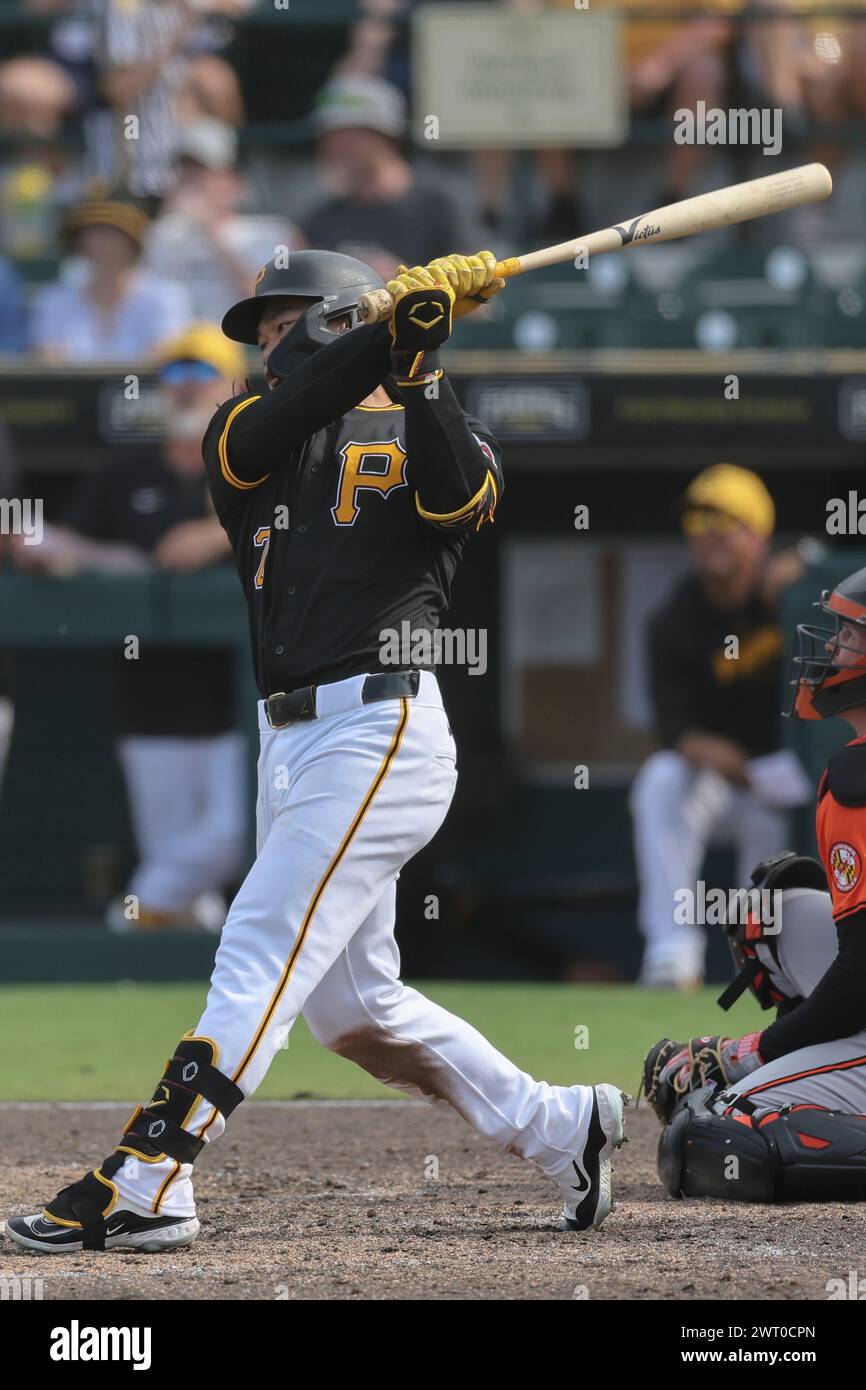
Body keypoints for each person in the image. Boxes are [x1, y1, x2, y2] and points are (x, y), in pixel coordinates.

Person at [5, 246, 626, 1255]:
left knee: (256, 945)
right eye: (261, 335)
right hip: (286, 740)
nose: (267, 349)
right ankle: (563, 1125)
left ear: (338, 322)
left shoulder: (439, 425)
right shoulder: (245, 436)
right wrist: (386, 326)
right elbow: (292, 402)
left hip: (377, 730)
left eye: (287, 325)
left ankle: (151, 1177)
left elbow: (455, 494)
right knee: (353, 1010)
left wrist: (418, 359)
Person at [11, 323, 247, 932]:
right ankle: (175, 978)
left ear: (231, 385)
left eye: (201, 376)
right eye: (176, 377)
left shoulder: (248, 465)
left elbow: (295, 522)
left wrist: (217, 532)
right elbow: (75, 540)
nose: (187, 390)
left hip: (243, 700)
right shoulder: (128, 471)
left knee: (233, 835)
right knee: (183, 876)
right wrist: (41, 545)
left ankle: (123, 923)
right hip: (151, 702)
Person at [643, 564, 866, 1204]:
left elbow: (863, 976)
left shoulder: (855, 778)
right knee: (778, 909)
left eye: (850, 635)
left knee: (712, 1124)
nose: (831, 649)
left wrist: (750, 1052)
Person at [630, 464, 806, 989]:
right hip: (718, 781)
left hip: (782, 784)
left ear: (758, 535)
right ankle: (671, 956)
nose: (706, 533)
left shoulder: (793, 595)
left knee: (776, 832)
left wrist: (811, 564)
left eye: (723, 520)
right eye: (698, 520)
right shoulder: (675, 617)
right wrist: (718, 754)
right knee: (662, 778)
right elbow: (676, 731)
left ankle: (765, 968)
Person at [300, 75, 488, 281]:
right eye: (330, 136)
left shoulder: (442, 204)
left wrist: (411, 284)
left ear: (388, 136)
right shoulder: (321, 219)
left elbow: (481, 301)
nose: (337, 146)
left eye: (352, 134)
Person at [145, 120, 300, 324]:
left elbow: (269, 307)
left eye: (201, 172)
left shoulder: (269, 233)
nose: (191, 181)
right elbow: (145, 304)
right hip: (176, 347)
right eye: (184, 172)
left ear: (231, 180)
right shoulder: (164, 234)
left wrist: (212, 233)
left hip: (240, 345)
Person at [29, 187, 191, 362]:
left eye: (114, 232)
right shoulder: (53, 301)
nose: (102, 242)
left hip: (141, 390)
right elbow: (49, 363)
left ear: (134, 240)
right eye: (93, 233)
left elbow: (163, 362)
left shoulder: (167, 298)